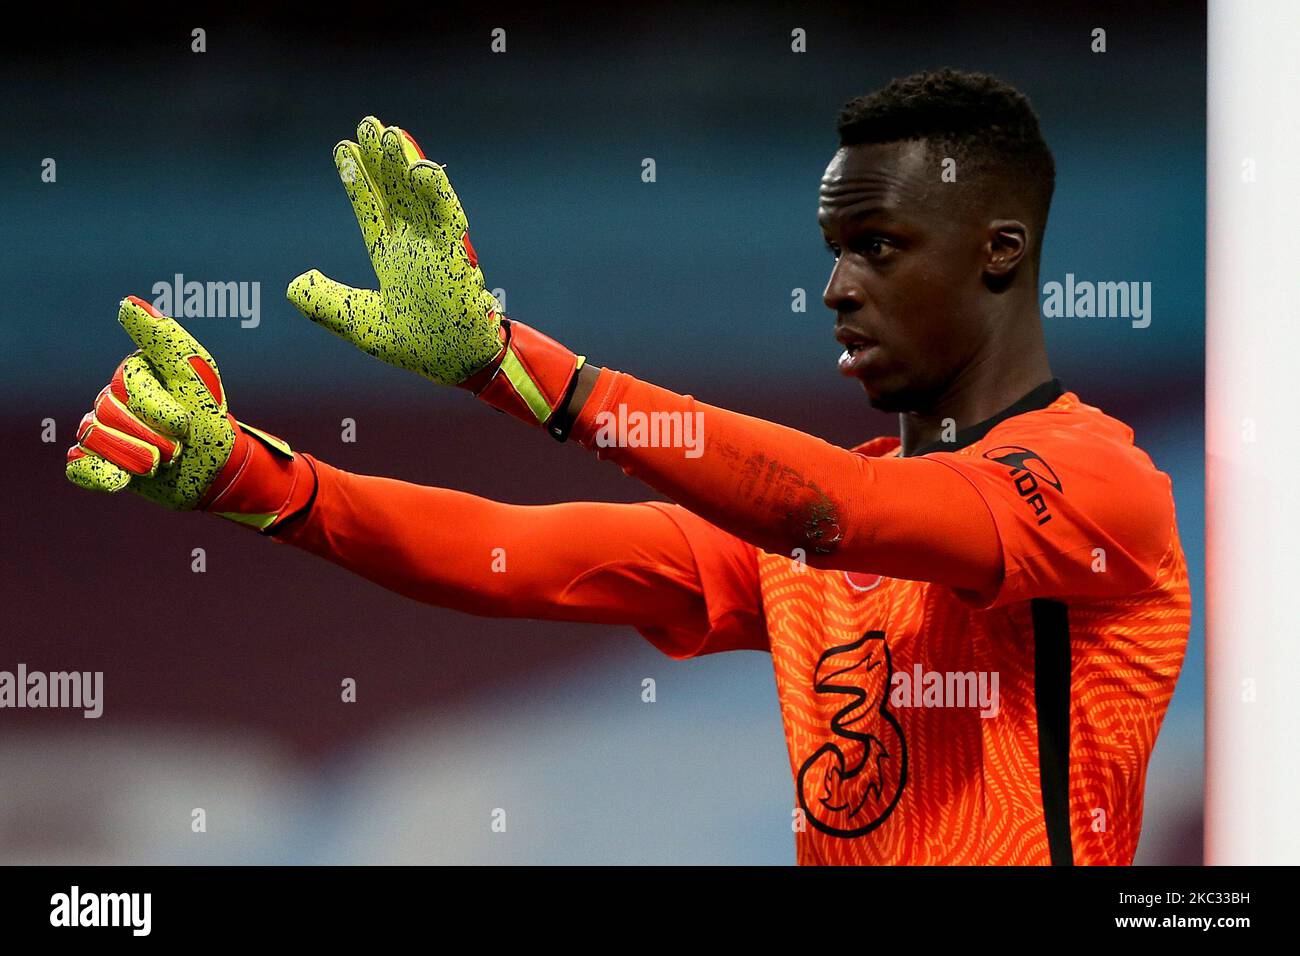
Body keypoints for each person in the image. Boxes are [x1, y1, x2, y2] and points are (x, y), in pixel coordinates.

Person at [66, 69, 1190, 865]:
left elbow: (831, 509)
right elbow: (516, 559)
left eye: (879, 249)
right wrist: (254, 481)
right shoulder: (808, 544)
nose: (838, 289)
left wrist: (517, 367)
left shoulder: (1097, 485)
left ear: (1001, 251)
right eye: (833, 253)